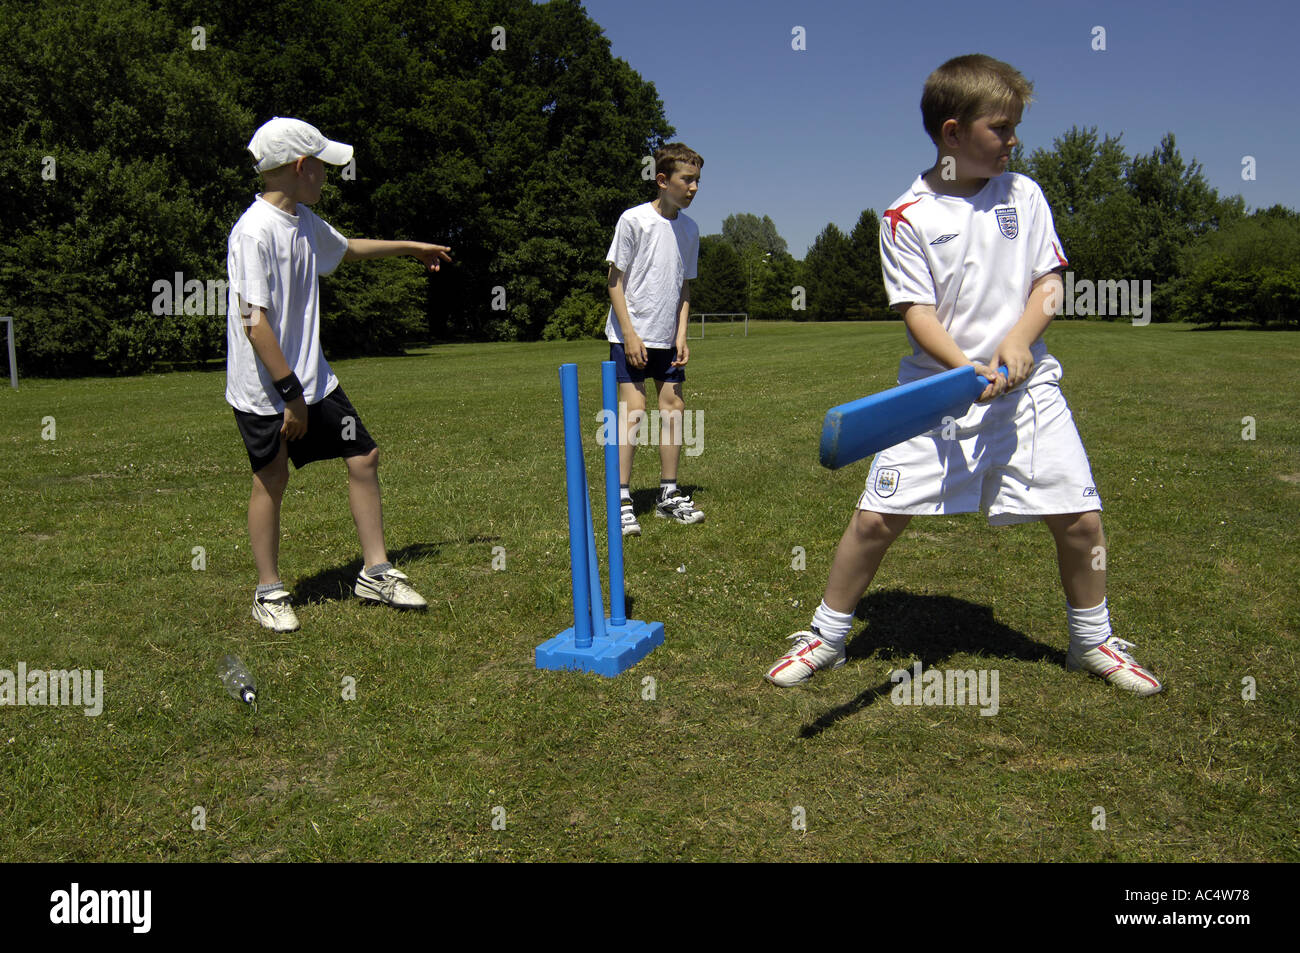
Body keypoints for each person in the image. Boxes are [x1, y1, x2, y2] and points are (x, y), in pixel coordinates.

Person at [765, 55, 1161, 696]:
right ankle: (827, 637)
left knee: (1081, 520)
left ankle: (1092, 643)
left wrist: (1018, 339)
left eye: (1014, 129)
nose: (1013, 141)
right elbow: (915, 312)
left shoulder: (1024, 194)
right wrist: (964, 369)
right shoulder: (905, 216)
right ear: (953, 133)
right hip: (934, 399)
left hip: (1029, 392)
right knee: (874, 521)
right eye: (1000, 129)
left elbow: (1049, 283)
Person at [225, 117, 452, 633]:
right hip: (268, 389)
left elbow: (347, 248)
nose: (328, 179)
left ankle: (374, 572)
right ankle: (269, 592)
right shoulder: (253, 232)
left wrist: (411, 248)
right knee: (272, 478)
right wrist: (290, 395)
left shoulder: (304, 221)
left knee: (363, 455)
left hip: (313, 380)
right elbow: (252, 321)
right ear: (302, 168)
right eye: (324, 169)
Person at [605, 142, 705, 536]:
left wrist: (682, 334)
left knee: (674, 407)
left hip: (668, 337)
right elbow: (615, 280)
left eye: (698, 181)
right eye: (687, 180)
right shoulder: (633, 220)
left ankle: (668, 495)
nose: (694, 188)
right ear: (663, 180)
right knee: (633, 409)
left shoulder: (690, 229)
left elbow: (683, 288)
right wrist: (629, 334)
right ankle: (622, 499)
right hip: (631, 334)